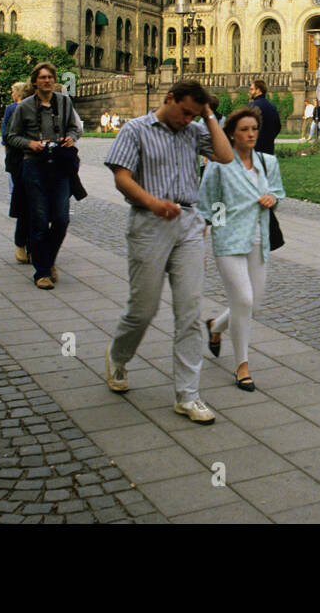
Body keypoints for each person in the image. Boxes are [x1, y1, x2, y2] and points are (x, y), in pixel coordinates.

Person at [102, 79, 233, 425]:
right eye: (184, 111)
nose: (186, 119)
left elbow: (225, 155)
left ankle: (188, 395)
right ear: (169, 98)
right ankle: (118, 356)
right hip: (149, 222)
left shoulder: (193, 130)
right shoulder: (136, 129)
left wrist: (208, 116)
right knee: (142, 309)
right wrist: (153, 203)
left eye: (194, 113)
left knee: (189, 311)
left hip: (189, 223)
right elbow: (122, 177)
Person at [199, 106, 284, 391]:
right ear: (232, 135)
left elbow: (278, 191)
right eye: (244, 130)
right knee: (244, 301)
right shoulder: (219, 163)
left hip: (258, 239)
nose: (251, 134)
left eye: (254, 129)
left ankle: (215, 327)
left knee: (253, 303)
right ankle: (242, 365)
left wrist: (272, 198)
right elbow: (208, 199)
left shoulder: (267, 162)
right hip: (228, 240)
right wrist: (216, 226)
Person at [5, 62, 83, 289]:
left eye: (50, 77)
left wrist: (70, 137)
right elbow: (11, 136)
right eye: (42, 77)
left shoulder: (64, 102)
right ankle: (42, 272)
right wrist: (31, 143)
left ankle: (47, 260)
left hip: (59, 165)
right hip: (34, 166)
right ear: (35, 81)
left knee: (61, 219)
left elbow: (74, 127)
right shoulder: (25, 107)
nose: (47, 81)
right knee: (38, 220)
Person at [2, 81, 33, 264]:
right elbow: (8, 134)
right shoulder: (15, 109)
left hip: (41, 162)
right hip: (21, 160)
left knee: (40, 209)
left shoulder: (52, 107)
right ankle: (22, 242)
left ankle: (34, 246)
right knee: (25, 205)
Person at [248, 79, 281, 155]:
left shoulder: (251, 106)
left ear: (258, 90)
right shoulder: (272, 106)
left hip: (254, 148)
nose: (249, 92)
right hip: (268, 147)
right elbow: (278, 126)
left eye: (252, 89)